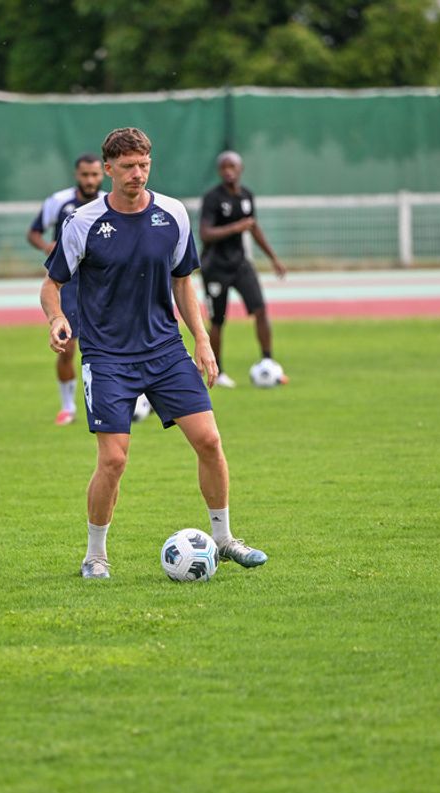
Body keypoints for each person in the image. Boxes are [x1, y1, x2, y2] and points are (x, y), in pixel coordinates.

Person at [41, 127, 268, 579]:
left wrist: (201, 340)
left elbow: (183, 283)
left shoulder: (174, 214)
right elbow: (52, 286)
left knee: (209, 441)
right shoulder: (82, 222)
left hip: (165, 350)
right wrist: (56, 319)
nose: (137, 174)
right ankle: (95, 555)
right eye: (127, 166)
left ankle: (223, 540)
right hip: (107, 356)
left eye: (143, 164)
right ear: (108, 169)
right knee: (114, 459)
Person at [27, 154, 106, 426]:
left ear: (103, 174)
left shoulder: (110, 202)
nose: (90, 180)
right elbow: (34, 232)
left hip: (101, 284)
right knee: (68, 347)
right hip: (68, 284)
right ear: (77, 175)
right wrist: (48, 248)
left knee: (112, 343)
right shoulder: (59, 202)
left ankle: (131, 400)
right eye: (85, 175)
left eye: (95, 175)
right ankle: (68, 405)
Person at [198, 151, 287, 388]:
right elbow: (205, 233)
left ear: (240, 168)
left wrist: (273, 258)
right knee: (217, 321)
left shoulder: (247, 196)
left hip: (240, 264)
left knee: (260, 310)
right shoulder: (212, 198)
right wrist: (236, 226)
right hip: (215, 267)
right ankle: (218, 371)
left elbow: (253, 228)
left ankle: (268, 360)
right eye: (224, 167)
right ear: (219, 171)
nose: (228, 170)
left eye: (232, 166)